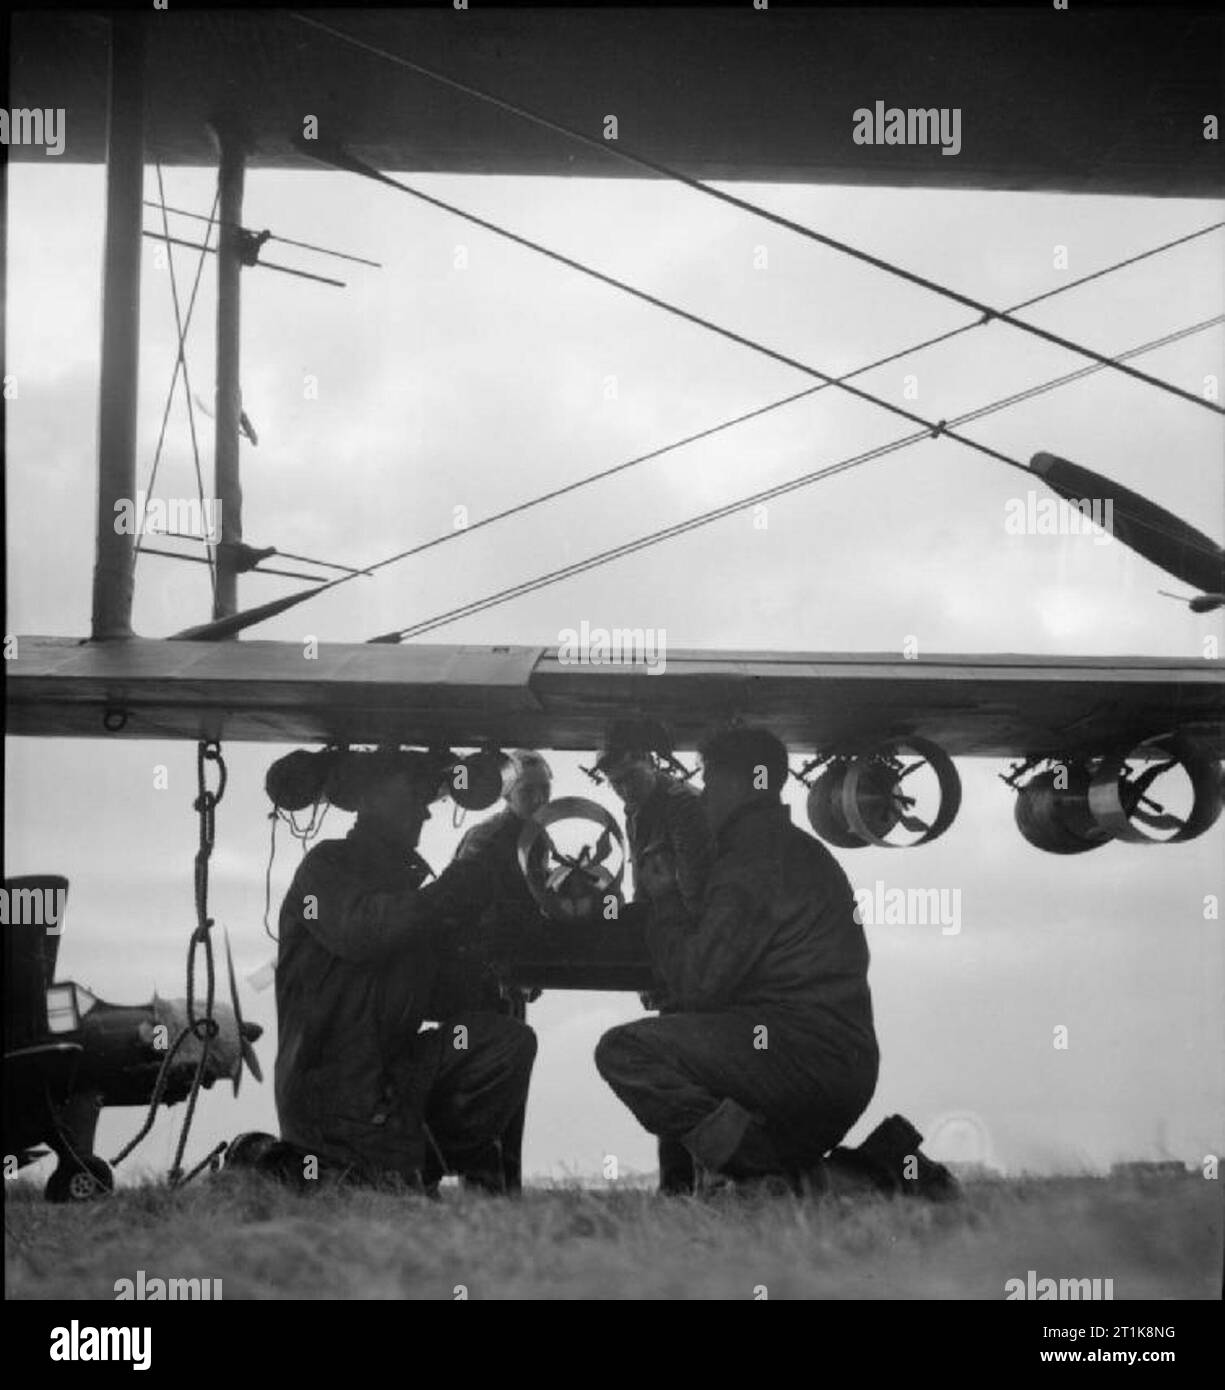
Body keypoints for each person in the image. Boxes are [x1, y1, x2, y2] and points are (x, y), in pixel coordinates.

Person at [594, 725, 879, 1192]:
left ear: (740, 783)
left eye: (709, 783)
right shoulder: (796, 849)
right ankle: (815, 1176)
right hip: (832, 1062)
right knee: (685, 1031)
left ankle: (764, 1174)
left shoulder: (750, 862)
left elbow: (697, 984)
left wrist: (664, 901)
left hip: (800, 1062)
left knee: (626, 1051)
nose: (703, 799)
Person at [273, 749, 536, 1192]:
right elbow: (360, 931)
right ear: (374, 799)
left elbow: (437, 992)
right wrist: (449, 894)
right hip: (335, 1090)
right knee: (380, 1194)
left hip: (394, 1074)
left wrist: (490, 951)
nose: (425, 815)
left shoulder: (406, 888)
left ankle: (424, 1159)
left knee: (504, 1042)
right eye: (415, 798)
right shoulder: (324, 870)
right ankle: (387, 1165)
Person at [595, 719, 715, 1194]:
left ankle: (692, 1182)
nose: (624, 789)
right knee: (671, 1068)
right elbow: (640, 889)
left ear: (651, 762)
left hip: (689, 957)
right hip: (665, 954)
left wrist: (689, 966)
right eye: (616, 782)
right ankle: (679, 1185)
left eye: (631, 776)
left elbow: (696, 889)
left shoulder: (684, 805)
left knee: (687, 1071)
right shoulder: (637, 808)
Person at [445, 750, 553, 1189]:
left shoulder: (536, 838)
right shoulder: (485, 840)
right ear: (507, 792)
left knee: (509, 1083)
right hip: (478, 984)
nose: (540, 797)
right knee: (482, 1082)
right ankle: (484, 1183)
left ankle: (504, 1184)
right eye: (529, 790)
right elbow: (455, 907)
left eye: (546, 789)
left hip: (510, 982)